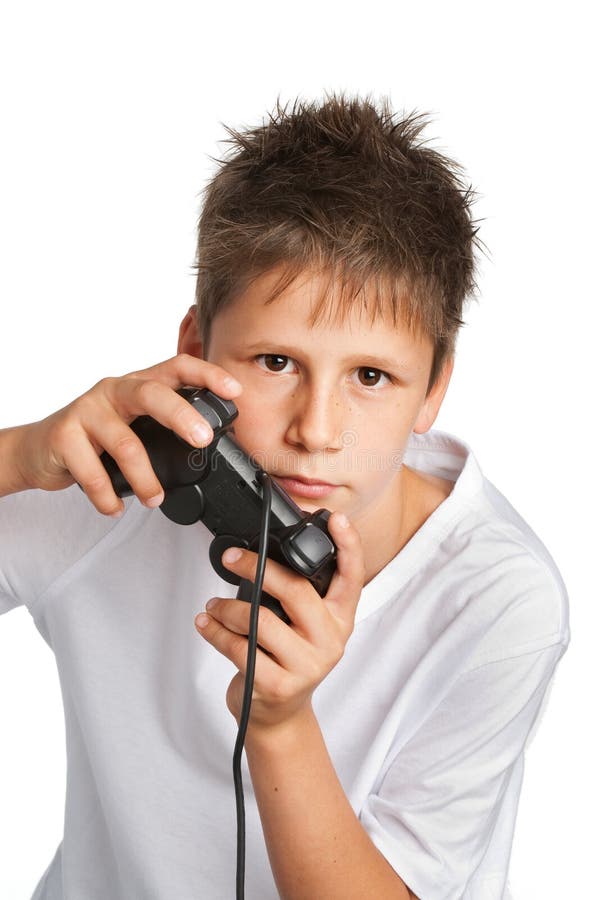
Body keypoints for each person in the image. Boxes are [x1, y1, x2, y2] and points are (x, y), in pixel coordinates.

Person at [0, 95, 569, 900]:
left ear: (434, 389)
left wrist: (278, 725)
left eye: (371, 377)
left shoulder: (498, 598)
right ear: (195, 350)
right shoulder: (110, 486)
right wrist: (18, 455)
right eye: (275, 363)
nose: (318, 429)